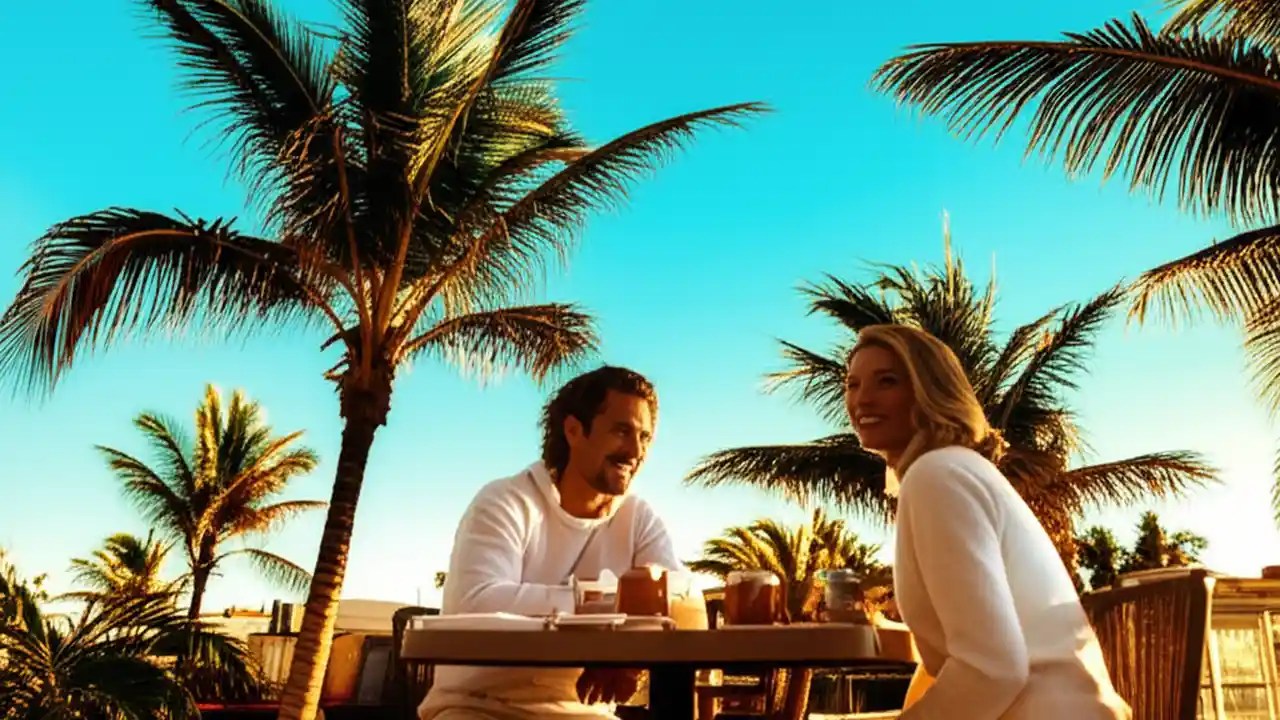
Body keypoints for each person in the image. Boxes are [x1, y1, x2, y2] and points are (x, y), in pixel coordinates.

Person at [843, 324, 1131, 719]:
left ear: (930, 392)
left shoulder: (937, 475)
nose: (863, 399)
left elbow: (992, 670)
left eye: (887, 381)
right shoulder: (954, 470)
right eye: (852, 384)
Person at [419, 366, 685, 720]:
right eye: (622, 431)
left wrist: (628, 655)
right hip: (478, 706)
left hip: (585, 713)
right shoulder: (505, 500)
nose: (635, 450)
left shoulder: (638, 516)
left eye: (645, 437)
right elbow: (478, 603)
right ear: (574, 431)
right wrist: (609, 624)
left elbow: (682, 599)